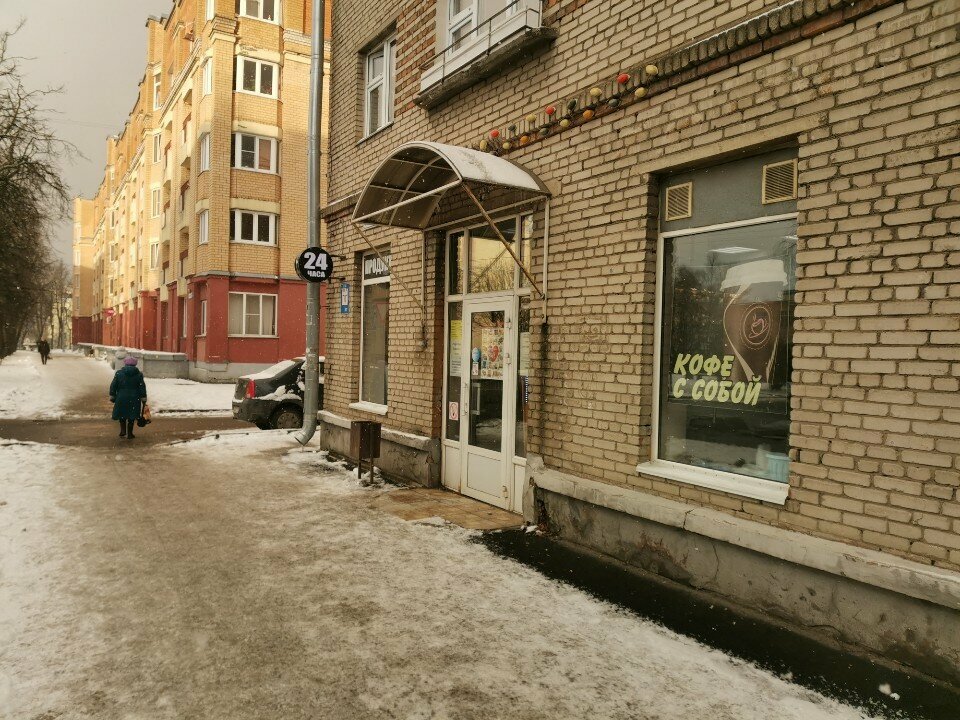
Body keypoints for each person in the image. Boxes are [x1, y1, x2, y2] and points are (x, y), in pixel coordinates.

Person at [110, 356, 147, 439]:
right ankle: (130, 433)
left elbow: (113, 385)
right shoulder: (138, 375)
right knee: (132, 415)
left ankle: (123, 431)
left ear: (125, 364)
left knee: (122, 414)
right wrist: (143, 397)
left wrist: (112, 395)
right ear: (135, 365)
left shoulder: (119, 373)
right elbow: (142, 387)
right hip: (134, 397)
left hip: (121, 396)